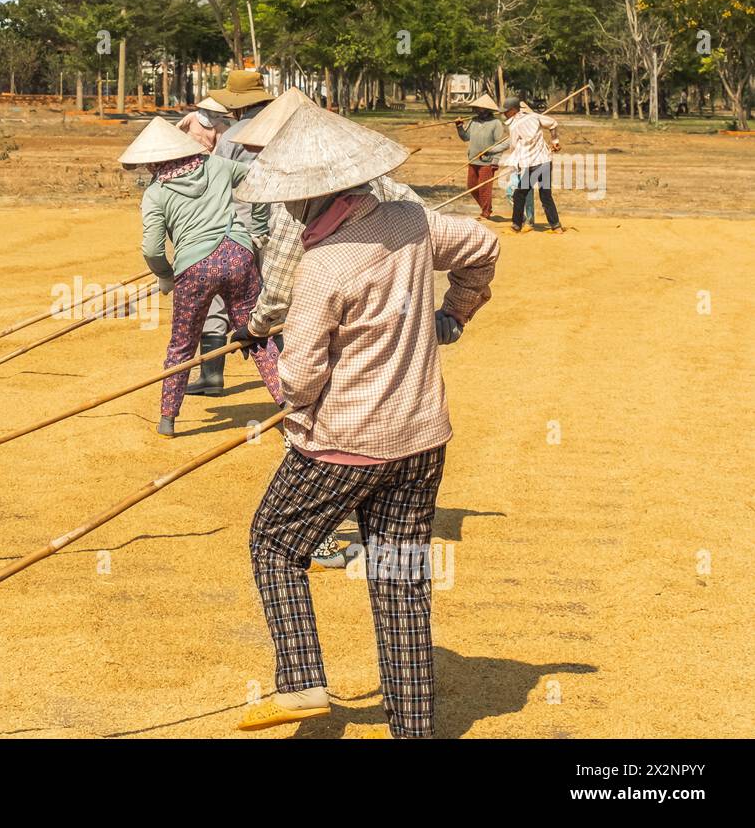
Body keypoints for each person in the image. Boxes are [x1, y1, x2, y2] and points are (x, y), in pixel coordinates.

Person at [234, 104, 499, 737]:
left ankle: (300, 682)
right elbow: (483, 245)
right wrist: (452, 314)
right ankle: (412, 727)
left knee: (273, 544)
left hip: (345, 445)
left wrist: (282, 371)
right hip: (421, 438)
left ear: (309, 196)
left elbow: (298, 381)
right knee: (399, 577)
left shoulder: (324, 266)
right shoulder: (410, 219)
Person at [234, 94, 425, 572]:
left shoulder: (294, 208)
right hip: (393, 327)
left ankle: (311, 533)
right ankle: (373, 524)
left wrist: (253, 329)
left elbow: (278, 291)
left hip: (324, 329)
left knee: (308, 422)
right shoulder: (385, 189)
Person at [119, 118, 284, 438]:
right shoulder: (218, 165)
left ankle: (168, 418)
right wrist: (258, 230)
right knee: (256, 333)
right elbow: (257, 178)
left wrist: (165, 276)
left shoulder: (155, 193)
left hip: (194, 270)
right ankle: (284, 402)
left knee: (182, 344)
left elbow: (152, 249)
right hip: (238, 255)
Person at [179, 69, 276, 398]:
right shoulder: (283, 128)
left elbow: (213, 180)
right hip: (287, 224)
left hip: (239, 226)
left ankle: (211, 374)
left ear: (236, 107)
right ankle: (289, 376)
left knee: (220, 294)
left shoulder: (233, 134)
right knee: (279, 295)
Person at [502, 96, 564, 233]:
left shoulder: (514, 125)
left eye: (506, 111)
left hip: (532, 165)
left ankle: (516, 226)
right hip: (546, 162)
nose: (504, 114)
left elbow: (513, 147)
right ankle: (556, 227)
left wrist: (516, 163)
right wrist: (555, 142)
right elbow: (553, 124)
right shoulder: (534, 116)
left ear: (513, 110)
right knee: (545, 195)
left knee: (519, 194)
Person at [454, 94, 508, 221]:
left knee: (484, 188)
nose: (477, 111)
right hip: (473, 159)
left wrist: (495, 160)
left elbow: (499, 143)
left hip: (488, 162)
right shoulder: (473, 121)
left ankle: (485, 213)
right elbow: (465, 137)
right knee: (471, 186)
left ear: (487, 109)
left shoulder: (496, 123)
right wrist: (459, 126)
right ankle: (486, 208)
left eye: (480, 108)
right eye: (476, 108)